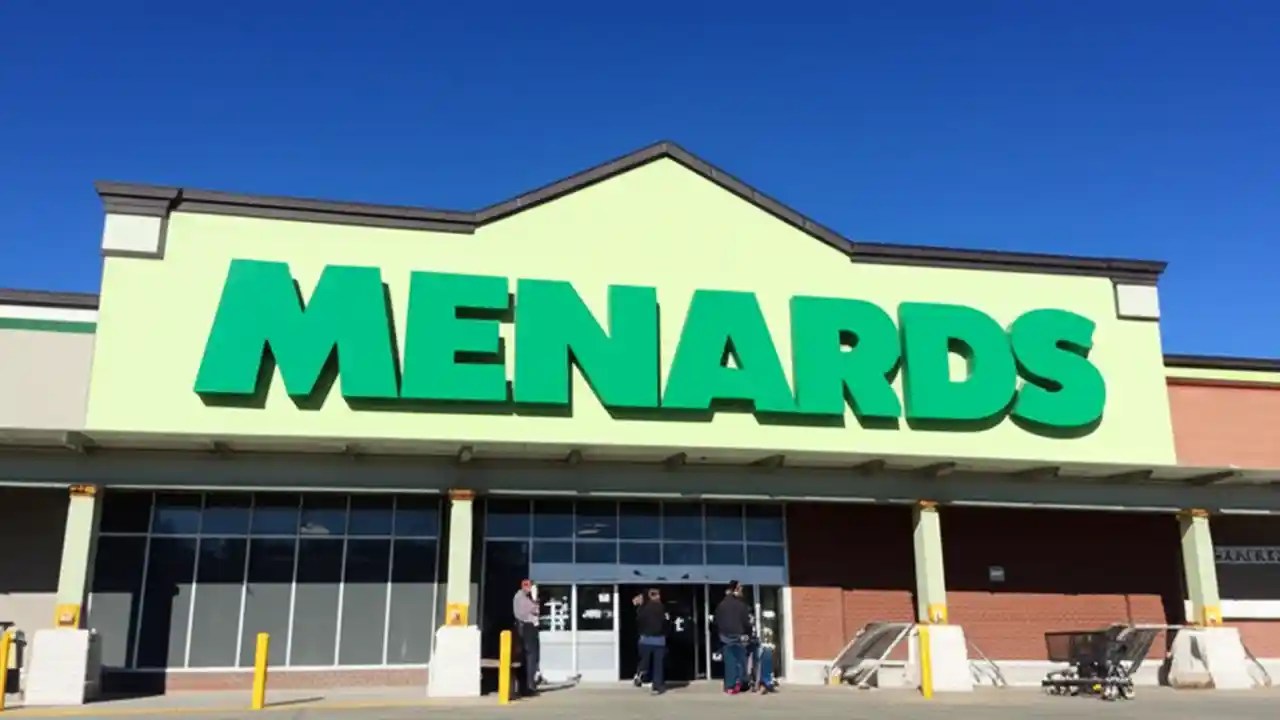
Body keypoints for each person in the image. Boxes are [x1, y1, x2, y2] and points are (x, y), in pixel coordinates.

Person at [713, 580, 752, 695]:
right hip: (739, 636)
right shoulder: (741, 605)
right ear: (736, 589)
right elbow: (746, 622)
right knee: (740, 661)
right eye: (741, 589)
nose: (742, 591)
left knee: (729, 662)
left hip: (725, 637)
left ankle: (729, 686)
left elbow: (716, 621)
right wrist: (749, 633)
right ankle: (740, 683)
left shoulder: (721, 605)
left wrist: (720, 633)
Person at [635, 588, 668, 695]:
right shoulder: (662, 608)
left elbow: (639, 621)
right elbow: (666, 623)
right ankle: (657, 686)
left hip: (646, 639)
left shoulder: (644, 609)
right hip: (659, 640)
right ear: (658, 596)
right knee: (658, 665)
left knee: (645, 661)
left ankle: (640, 674)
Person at [512, 579, 541, 696]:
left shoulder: (523, 597)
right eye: (530, 587)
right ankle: (528, 686)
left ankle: (529, 684)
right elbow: (534, 609)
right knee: (530, 657)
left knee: (532, 657)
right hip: (526, 628)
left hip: (529, 627)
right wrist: (535, 598)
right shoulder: (520, 597)